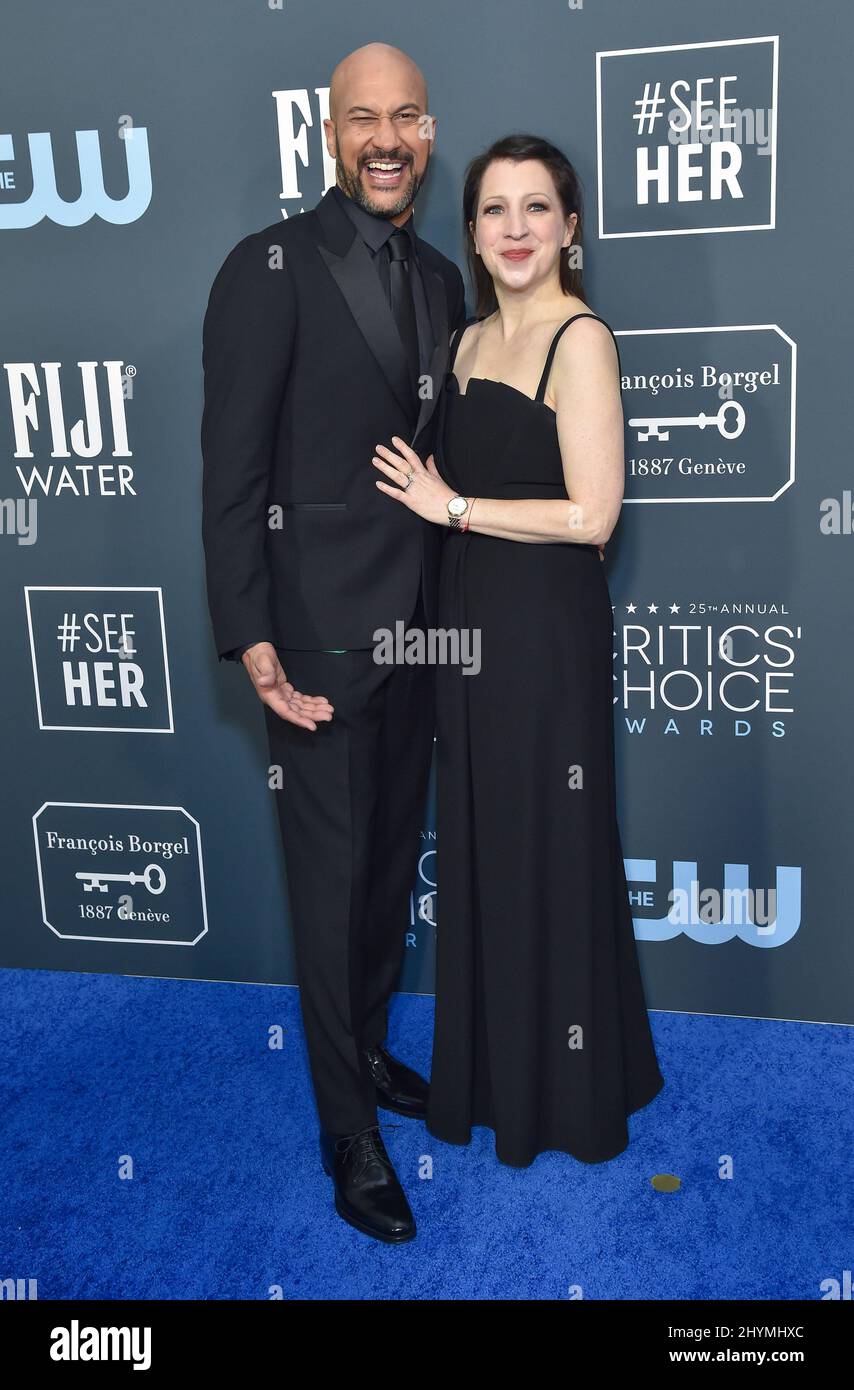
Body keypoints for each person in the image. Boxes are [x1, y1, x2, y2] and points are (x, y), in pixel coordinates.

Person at [201, 43, 465, 1242]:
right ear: (329, 135)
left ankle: (363, 1048)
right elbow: (231, 470)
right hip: (312, 642)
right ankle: (345, 1130)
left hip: (421, 638)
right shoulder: (267, 267)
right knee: (328, 886)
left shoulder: (443, 278)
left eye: (405, 117)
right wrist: (250, 633)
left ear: (427, 131)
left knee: (382, 872)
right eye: (364, 119)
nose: (386, 139)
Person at [372, 134, 665, 1168]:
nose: (514, 228)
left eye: (536, 207)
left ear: (569, 227)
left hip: (543, 631)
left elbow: (593, 515)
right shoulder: (461, 341)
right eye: (494, 209)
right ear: (471, 229)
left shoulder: (579, 339)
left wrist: (450, 505)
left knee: (550, 834)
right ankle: (496, 1072)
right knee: (485, 839)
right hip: (466, 628)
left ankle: (570, 1090)